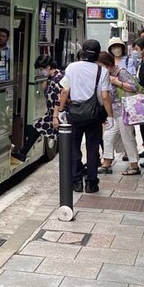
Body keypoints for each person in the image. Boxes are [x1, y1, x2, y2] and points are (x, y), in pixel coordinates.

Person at [53, 39, 113, 194]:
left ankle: (76, 181)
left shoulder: (71, 67)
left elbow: (65, 91)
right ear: (98, 54)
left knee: (74, 147)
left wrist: (60, 111)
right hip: (94, 115)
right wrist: (110, 117)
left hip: (74, 113)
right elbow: (105, 96)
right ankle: (91, 183)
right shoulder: (102, 71)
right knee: (93, 149)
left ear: (82, 52)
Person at [96, 52, 141, 176]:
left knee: (127, 138)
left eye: (101, 65)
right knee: (108, 136)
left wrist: (117, 82)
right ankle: (106, 163)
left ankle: (134, 165)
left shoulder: (121, 72)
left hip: (124, 111)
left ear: (107, 64)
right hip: (114, 112)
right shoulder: (106, 75)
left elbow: (134, 87)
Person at [13, 55, 63, 161]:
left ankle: (22, 153)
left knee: (64, 138)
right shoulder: (52, 78)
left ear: (48, 67)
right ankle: (22, 153)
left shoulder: (58, 79)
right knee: (37, 127)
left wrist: (55, 116)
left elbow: (58, 99)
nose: (41, 72)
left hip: (57, 114)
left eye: (41, 69)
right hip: (52, 113)